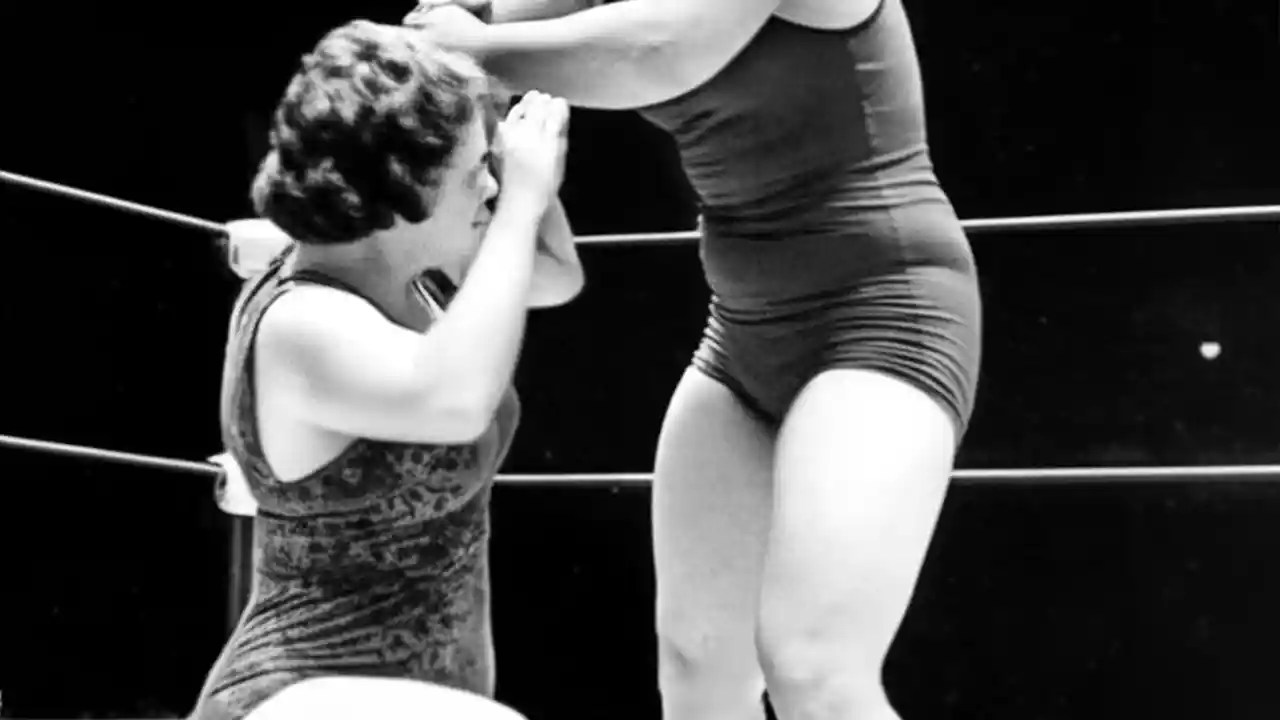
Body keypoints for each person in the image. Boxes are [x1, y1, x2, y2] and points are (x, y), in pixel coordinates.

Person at [404, 1, 982, 719]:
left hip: (883, 313)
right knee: (696, 668)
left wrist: (476, 49)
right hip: (742, 334)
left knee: (814, 665)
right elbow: (457, 26)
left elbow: (659, 50)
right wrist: (454, 44)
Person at [189, 19, 578, 720]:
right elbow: (455, 399)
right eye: (473, 174)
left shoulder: (412, 273)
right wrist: (519, 197)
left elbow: (550, 275)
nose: (489, 188)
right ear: (405, 188)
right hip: (297, 696)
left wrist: (495, 104)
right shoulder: (301, 323)